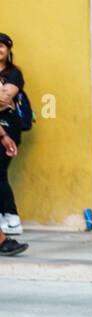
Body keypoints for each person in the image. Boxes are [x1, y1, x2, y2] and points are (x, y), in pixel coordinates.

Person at [0, 32, 26, 249]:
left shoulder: (14, 74)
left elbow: (5, 99)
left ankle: (11, 216)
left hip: (9, 126)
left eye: (2, 46)